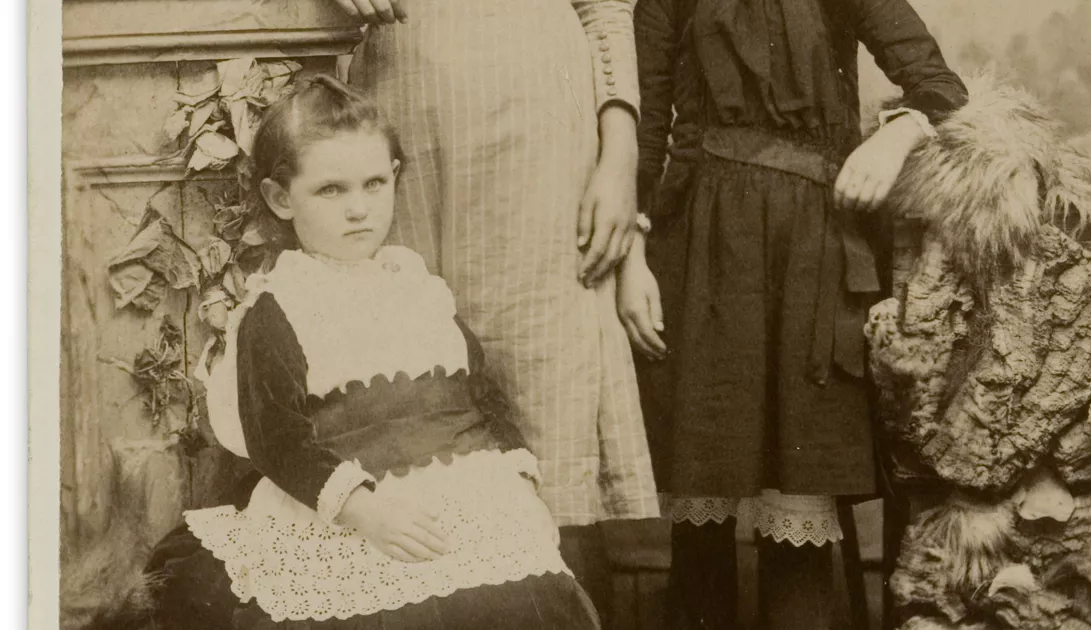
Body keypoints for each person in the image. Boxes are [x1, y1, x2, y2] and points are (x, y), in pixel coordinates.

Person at [144, 76, 602, 630]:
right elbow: (277, 437)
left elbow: (478, 393)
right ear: (280, 198)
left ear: (395, 178)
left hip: (462, 489)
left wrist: (515, 474)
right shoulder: (279, 306)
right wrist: (364, 511)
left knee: (522, 589)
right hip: (349, 506)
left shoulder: (416, 284)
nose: (359, 209)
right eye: (331, 191)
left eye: (374, 184)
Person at [625, 0, 969, 627]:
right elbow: (645, 141)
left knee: (799, 532)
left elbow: (941, 87)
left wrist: (898, 134)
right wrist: (631, 261)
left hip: (810, 253)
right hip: (700, 256)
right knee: (699, 534)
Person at [337, 0, 662, 613]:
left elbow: (607, 9)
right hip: (400, 110)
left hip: (538, 117)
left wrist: (620, 158)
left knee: (545, 393)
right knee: (409, 385)